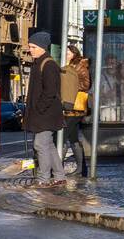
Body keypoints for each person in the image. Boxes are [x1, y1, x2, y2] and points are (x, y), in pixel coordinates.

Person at [24, 31, 66, 187]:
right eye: (29, 46)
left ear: (42, 47)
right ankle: (60, 176)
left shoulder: (48, 64)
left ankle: (43, 179)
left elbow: (50, 91)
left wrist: (39, 108)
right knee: (48, 145)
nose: (30, 50)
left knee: (40, 145)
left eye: (33, 47)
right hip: (45, 113)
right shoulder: (40, 63)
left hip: (46, 114)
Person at [60, 43, 91, 177]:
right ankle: (81, 169)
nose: (66, 54)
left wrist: (71, 84)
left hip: (75, 107)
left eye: (68, 52)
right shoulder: (67, 65)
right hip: (68, 106)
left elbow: (86, 84)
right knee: (73, 138)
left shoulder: (80, 66)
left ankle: (57, 167)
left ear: (74, 53)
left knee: (62, 136)